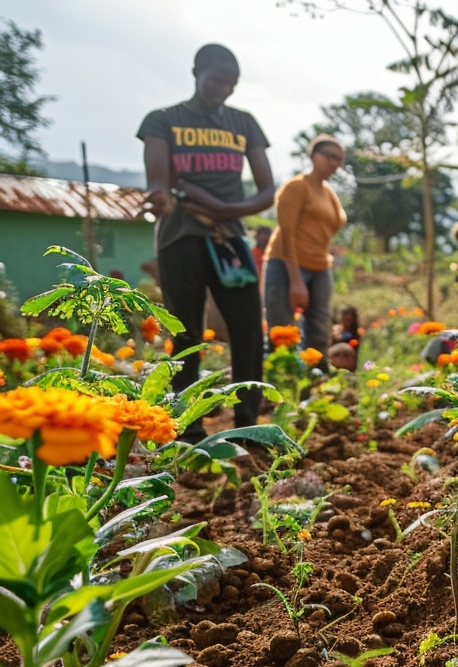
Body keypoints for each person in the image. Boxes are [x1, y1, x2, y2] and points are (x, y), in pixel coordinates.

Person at [139, 44, 276, 436]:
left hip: (228, 236)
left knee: (249, 329)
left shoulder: (244, 123)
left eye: (231, 83)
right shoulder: (162, 120)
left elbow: (267, 190)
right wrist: (161, 196)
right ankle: (189, 426)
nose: (223, 89)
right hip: (181, 235)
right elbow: (158, 181)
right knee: (186, 331)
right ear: (196, 72)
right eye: (216, 80)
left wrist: (225, 211)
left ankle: (248, 422)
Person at [263, 134, 347, 353]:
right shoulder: (296, 187)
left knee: (320, 331)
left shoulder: (328, 192)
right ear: (313, 155)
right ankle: (279, 382)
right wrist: (295, 280)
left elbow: (333, 225)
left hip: (320, 266)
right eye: (329, 156)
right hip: (286, 264)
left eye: (339, 159)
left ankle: (316, 382)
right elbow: (287, 233)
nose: (335, 163)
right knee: (283, 333)